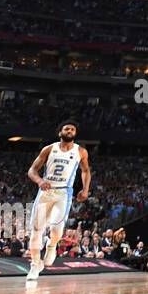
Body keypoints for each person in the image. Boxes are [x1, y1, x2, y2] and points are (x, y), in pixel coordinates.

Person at [25, 120, 91, 281]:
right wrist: (40, 181)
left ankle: (52, 245)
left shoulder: (80, 151)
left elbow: (85, 170)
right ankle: (35, 265)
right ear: (60, 132)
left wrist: (85, 189)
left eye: (72, 129)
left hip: (63, 193)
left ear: (75, 133)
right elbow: (32, 170)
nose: (69, 130)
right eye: (66, 128)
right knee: (36, 231)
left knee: (56, 229)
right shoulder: (49, 149)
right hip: (45, 192)